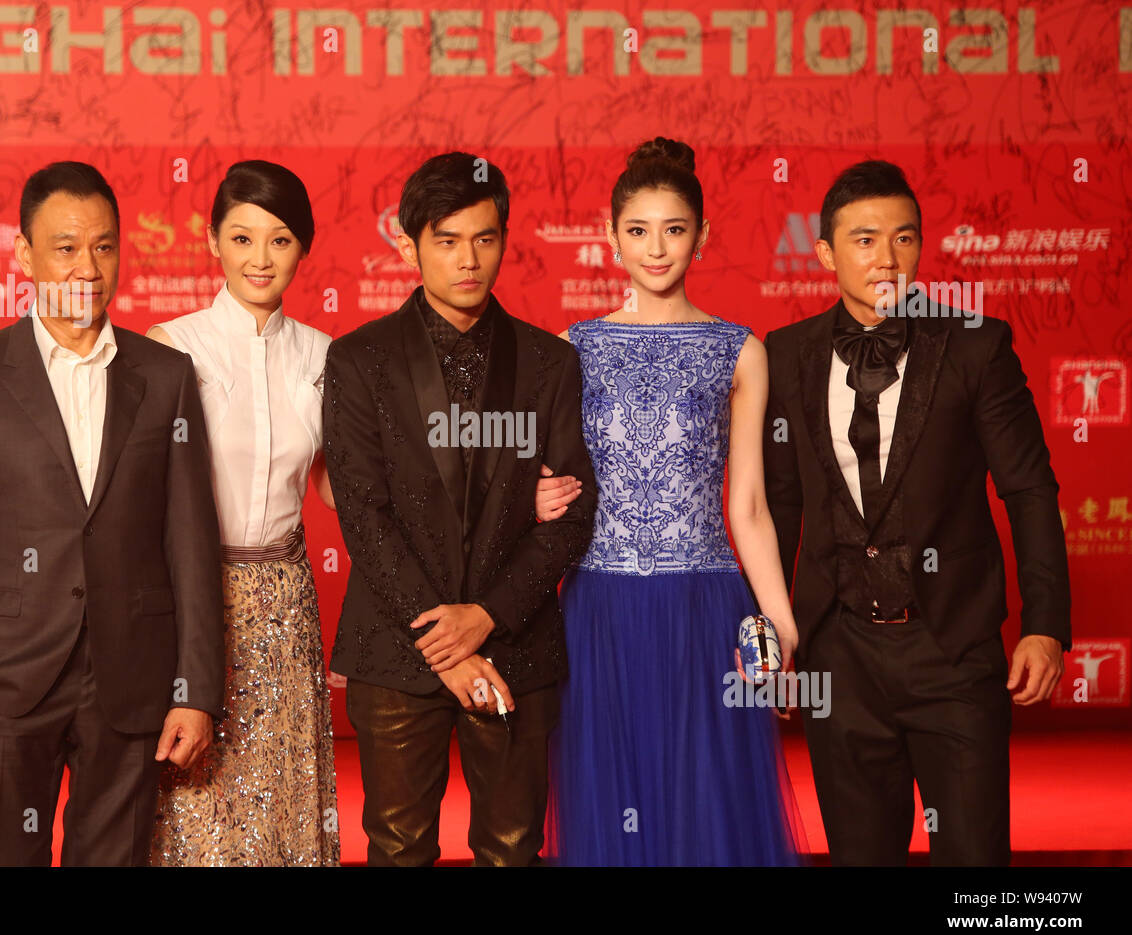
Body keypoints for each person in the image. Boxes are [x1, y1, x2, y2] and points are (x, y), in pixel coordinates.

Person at [0, 161, 224, 866]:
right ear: (24, 255)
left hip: (131, 682)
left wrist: (195, 689)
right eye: (66, 247)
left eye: (104, 246)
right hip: (7, 678)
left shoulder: (165, 376)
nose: (88, 267)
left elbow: (192, 544)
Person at [762, 159, 1070, 865]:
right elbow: (779, 506)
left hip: (952, 651)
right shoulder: (786, 354)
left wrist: (1046, 625)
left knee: (974, 867)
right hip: (838, 658)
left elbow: (1029, 489)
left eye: (904, 238)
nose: (888, 258)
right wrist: (770, 636)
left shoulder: (976, 345)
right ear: (825, 254)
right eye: (865, 240)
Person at [323, 151, 598, 866]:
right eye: (446, 241)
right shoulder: (359, 359)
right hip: (397, 646)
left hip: (516, 642)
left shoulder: (550, 362)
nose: (468, 260)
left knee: (513, 847)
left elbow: (573, 513)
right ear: (408, 246)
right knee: (398, 846)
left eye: (484, 238)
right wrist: (447, 643)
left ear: (505, 239)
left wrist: (487, 617)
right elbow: (364, 514)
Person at [539, 137, 807, 865]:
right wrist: (536, 494)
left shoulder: (740, 350)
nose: (655, 249)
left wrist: (780, 620)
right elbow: (544, 482)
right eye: (638, 230)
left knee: (707, 802)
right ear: (611, 236)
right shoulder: (571, 348)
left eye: (674, 229)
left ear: (702, 235)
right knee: (611, 798)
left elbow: (748, 505)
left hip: (706, 605)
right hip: (600, 605)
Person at [145, 160, 340, 866]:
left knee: (280, 803)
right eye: (242, 238)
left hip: (286, 604)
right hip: (191, 599)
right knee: (197, 808)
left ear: (303, 248)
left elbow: (339, 490)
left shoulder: (325, 356)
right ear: (212, 241)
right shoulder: (171, 346)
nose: (260, 258)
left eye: (280, 240)